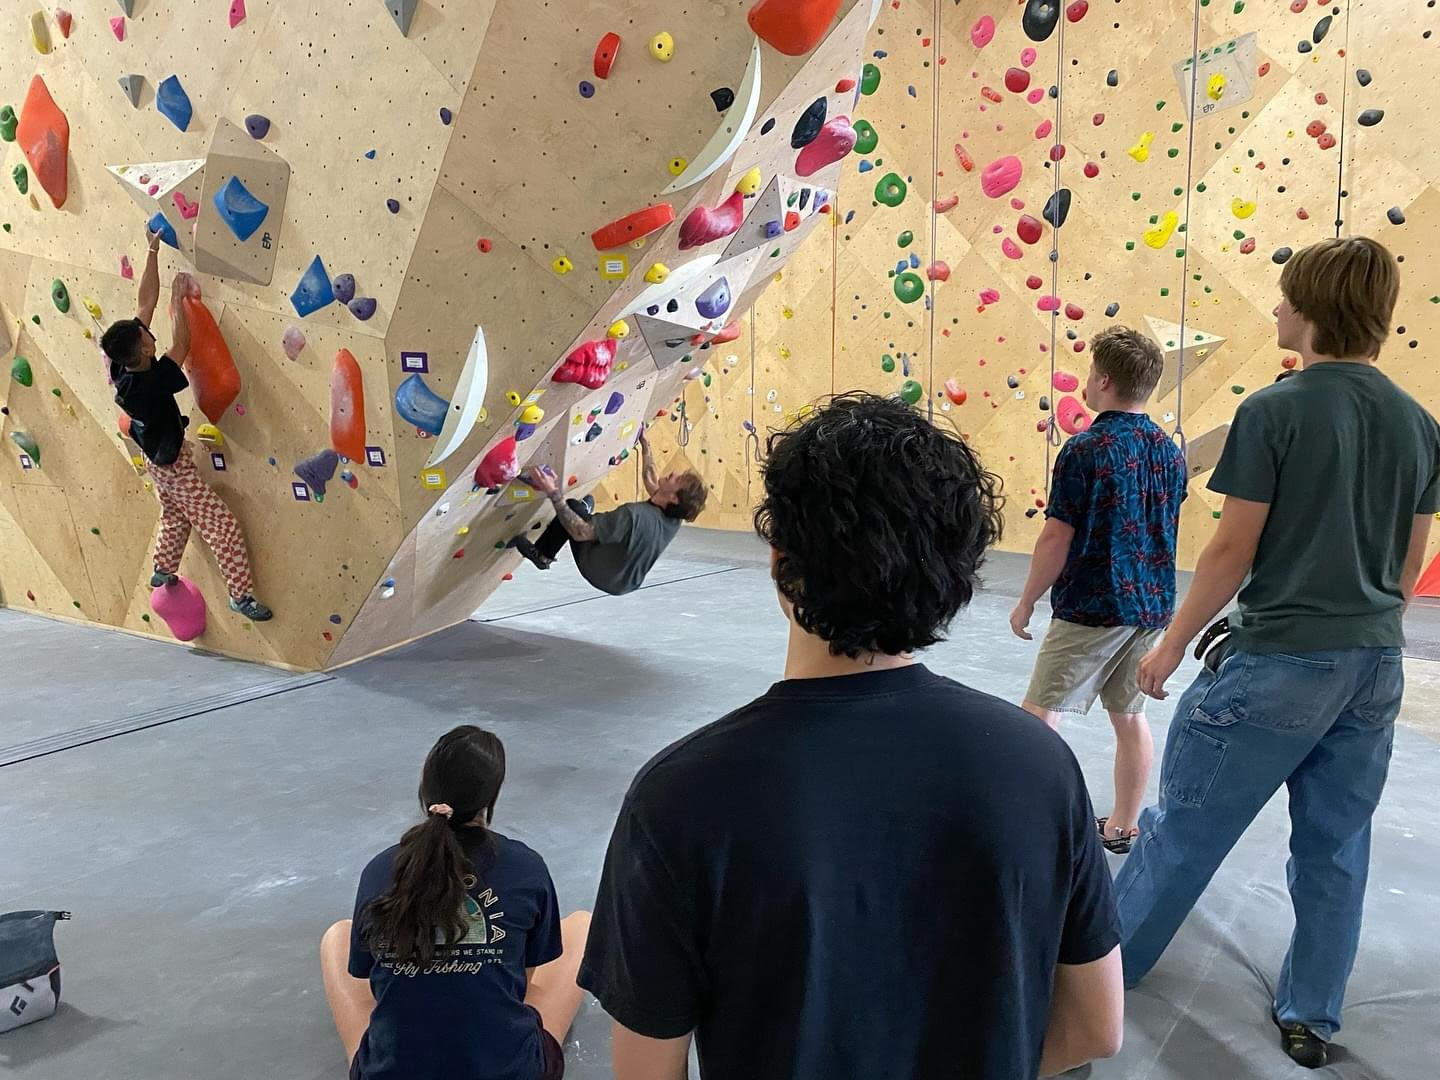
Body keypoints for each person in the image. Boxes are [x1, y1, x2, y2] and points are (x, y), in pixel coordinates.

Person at [578, 393, 1125, 1080]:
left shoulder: (680, 797)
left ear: (781, 562)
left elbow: (646, 1071)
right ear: (954, 573)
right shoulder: (1039, 764)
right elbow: (1096, 1028)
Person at [1121, 237, 1440, 1069]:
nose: (1274, 310)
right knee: (1335, 847)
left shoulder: (1275, 409)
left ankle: (1106, 968)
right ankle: (1312, 1013)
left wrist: (1170, 643)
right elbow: (1411, 561)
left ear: (1312, 310)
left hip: (1279, 663)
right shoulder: (1419, 425)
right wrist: (1363, 625)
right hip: (1373, 665)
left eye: (1283, 298)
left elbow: (1231, 550)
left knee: (1182, 831)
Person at [320, 725, 591, 1080]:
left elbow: (366, 975)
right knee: (582, 925)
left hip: (392, 1073)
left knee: (338, 936)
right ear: (490, 798)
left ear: (424, 784)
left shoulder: (380, 870)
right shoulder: (525, 867)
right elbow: (521, 983)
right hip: (508, 1072)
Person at [1009, 327, 1189, 854]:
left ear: (1104, 380)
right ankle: (1123, 827)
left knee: (1039, 715)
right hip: (1151, 606)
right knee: (1129, 716)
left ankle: (1026, 825)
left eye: (1090, 373)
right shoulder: (1168, 451)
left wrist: (1026, 600)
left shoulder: (1085, 448)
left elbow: (1056, 535)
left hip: (1093, 605)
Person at [100, 230, 270, 621]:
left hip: (154, 458)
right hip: (172, 464)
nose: (147, 328)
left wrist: (152, 248)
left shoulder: (121, 363)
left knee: (176, 514)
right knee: (221, 525)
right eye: (145, 334)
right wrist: (180, 303)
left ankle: (163, 567)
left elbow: (144, 300)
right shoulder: (153, 382)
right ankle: (240, 596)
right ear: (145, 349)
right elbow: (181, 343)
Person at [507, 428, 707, 596]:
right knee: (588, 503)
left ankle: (543, 555)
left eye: (677, 479)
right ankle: (589, 517)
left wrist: (552, 492)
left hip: (601, 572)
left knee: (572, 509)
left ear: (674, 497)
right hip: (626, 580)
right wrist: (645, 444)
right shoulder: (672, 515)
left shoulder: (634, 515)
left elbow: (580, 532)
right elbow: (650, 478)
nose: (673, 474)